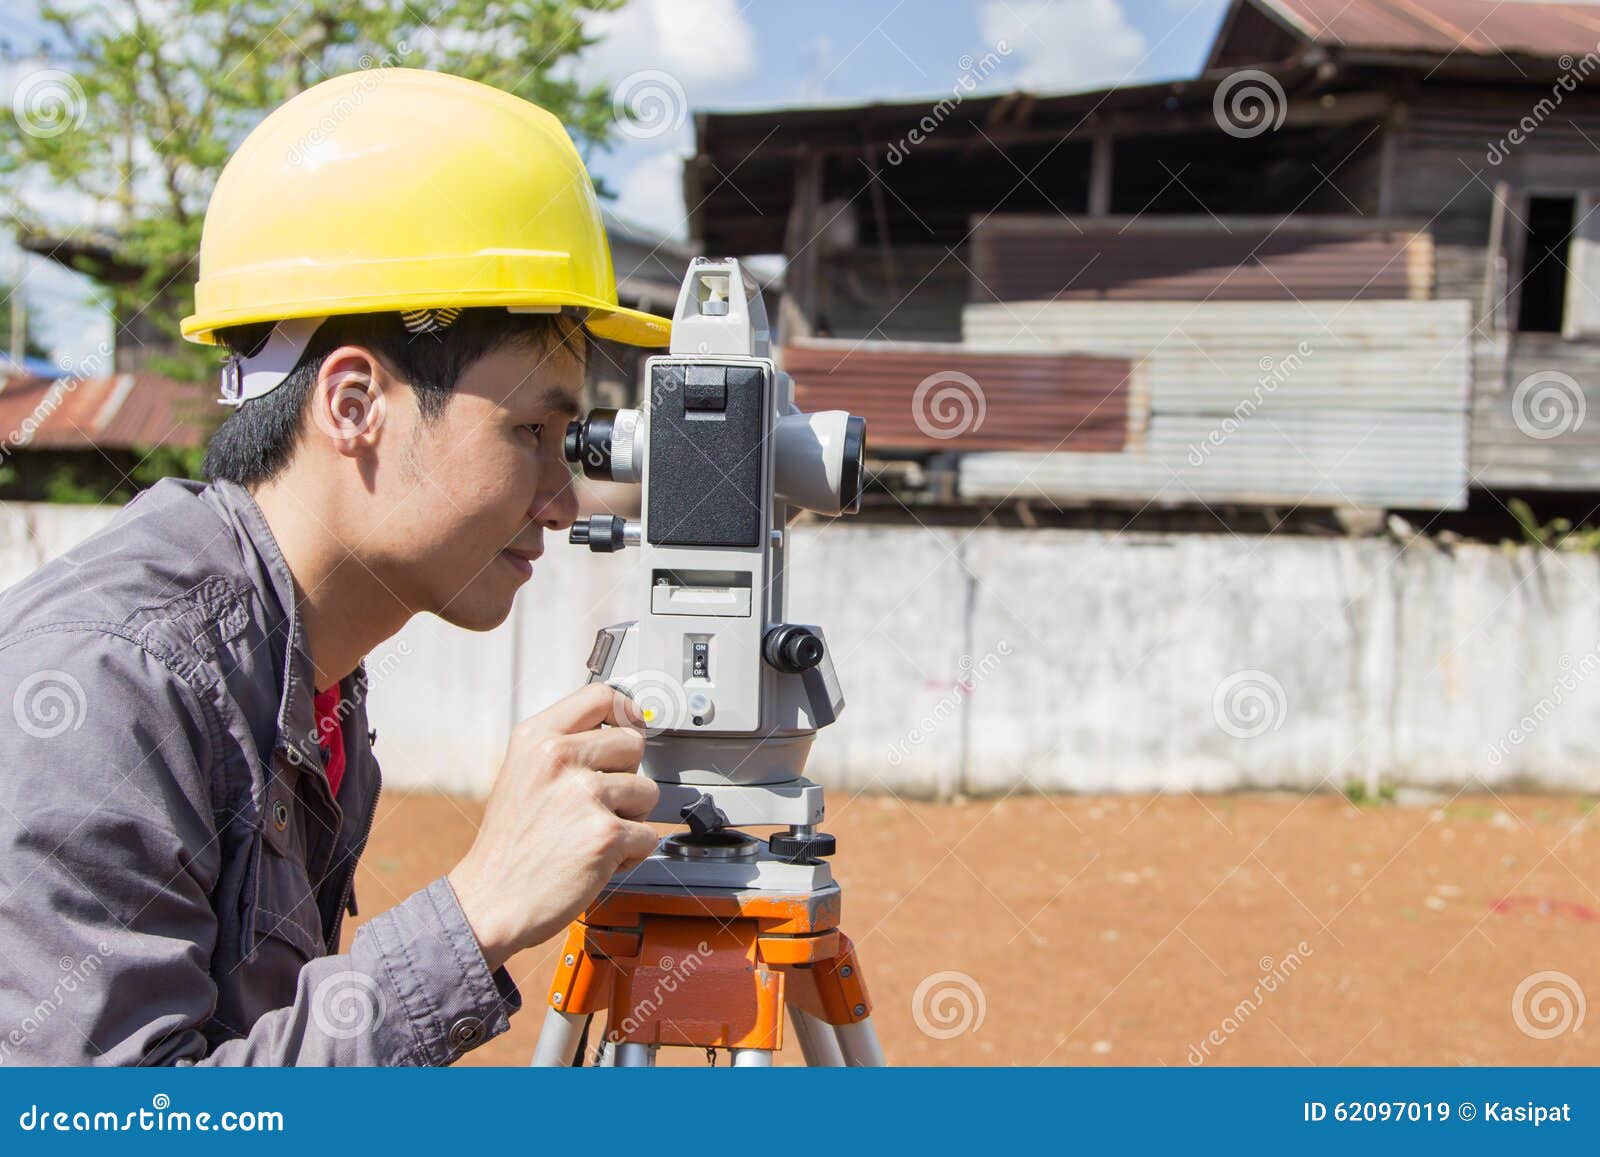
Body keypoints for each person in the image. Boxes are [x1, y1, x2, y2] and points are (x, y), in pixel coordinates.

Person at [0, 69, 673, 1065]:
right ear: (354, 404)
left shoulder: (306, 674)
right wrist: (474, 912)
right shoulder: (112, 687)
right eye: (529, 429)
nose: (563, 501)